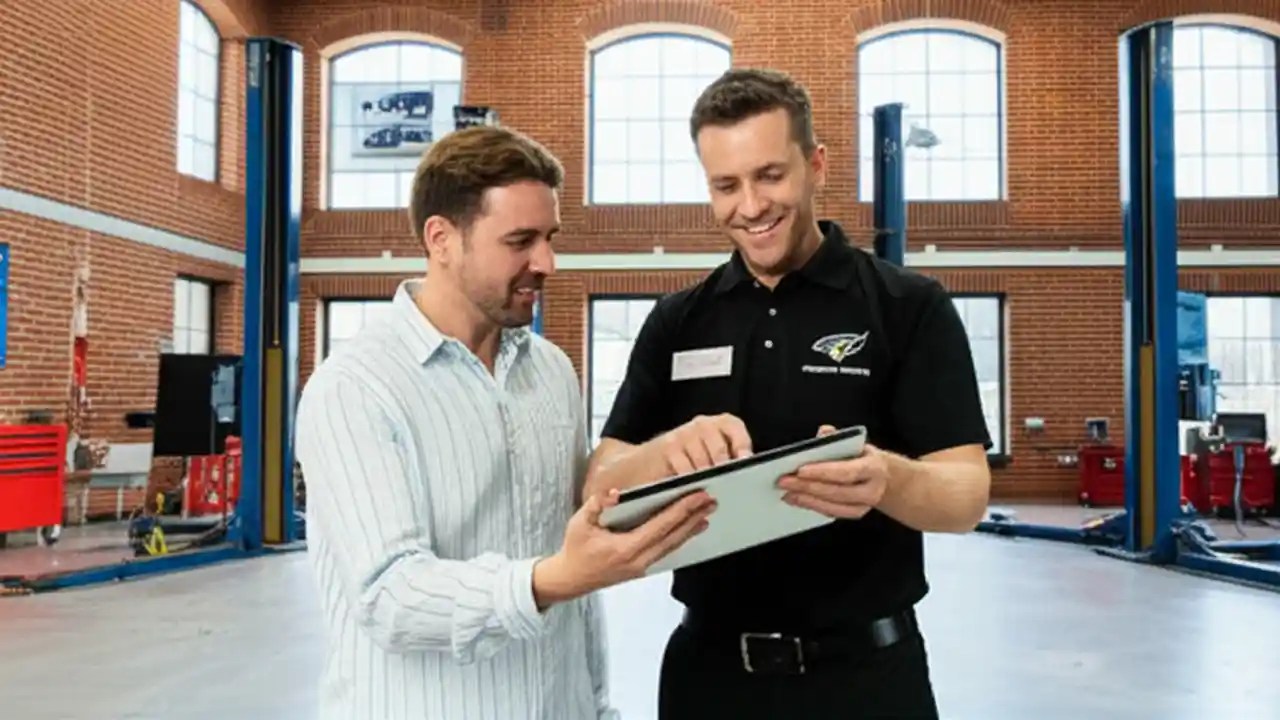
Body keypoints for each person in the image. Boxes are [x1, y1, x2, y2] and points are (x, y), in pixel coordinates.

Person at [584, 68, 993, 719]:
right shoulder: (678, 321)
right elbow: (599, 484)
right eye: (726, 185)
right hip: (709, 679)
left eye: (770, 176)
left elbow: (966, 495)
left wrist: (885, 479)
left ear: (815, 165)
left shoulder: (907, 307)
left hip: (865, 681)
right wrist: (664, 451)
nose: (750, 206)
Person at [294, 125, 718, 720]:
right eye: (520, 241)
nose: (546, 263)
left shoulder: (550, 371)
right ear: (441, 239)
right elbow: (389, 595)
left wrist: (595, 706)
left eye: (549, 238)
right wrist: (550, 580)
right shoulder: (356, 388)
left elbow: (574, 577)